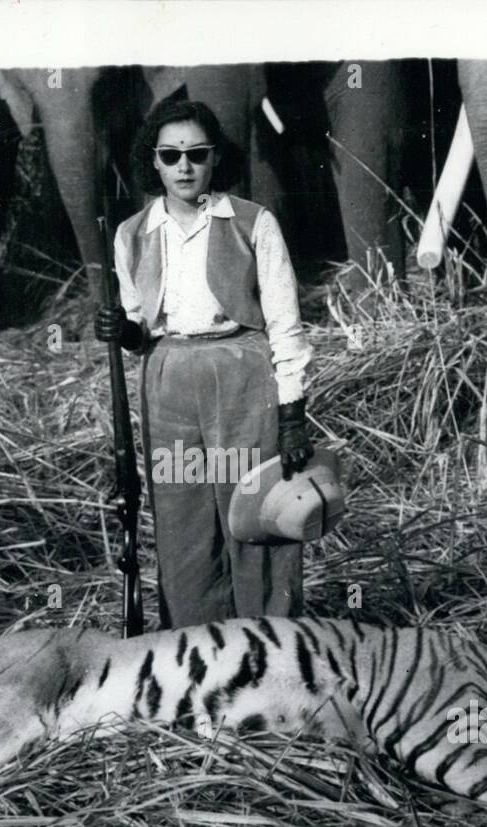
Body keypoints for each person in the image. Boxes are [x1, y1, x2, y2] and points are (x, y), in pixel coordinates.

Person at [95, 98, 313, 629]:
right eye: (171, 155)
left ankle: (274, 648)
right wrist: (123, 332)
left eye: (197, 153)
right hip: (167, 380)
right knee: (184, 523)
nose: (184, 167)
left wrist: (291, 414)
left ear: (216, 158)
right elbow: (138, 323)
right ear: (154, 161)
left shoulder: (252, 223)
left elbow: (285, 323)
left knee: (257, 514)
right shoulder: (131, 234)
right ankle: (195, 654)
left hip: (242, 376)